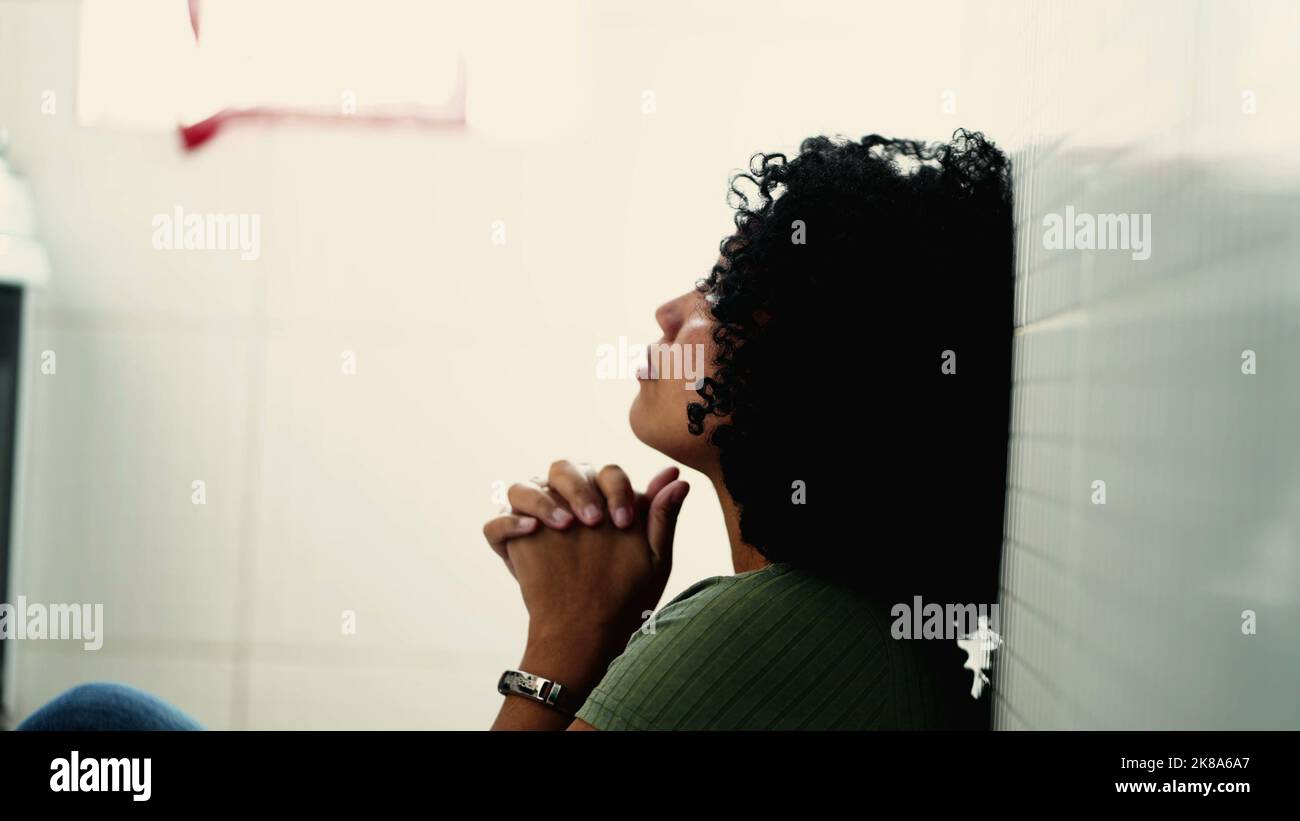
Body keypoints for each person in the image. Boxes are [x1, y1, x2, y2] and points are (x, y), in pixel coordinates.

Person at [485, 129, 1014, 730]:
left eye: (720, 289)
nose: (670, 312)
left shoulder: (756, 631)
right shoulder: (853, 615)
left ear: (812, 352)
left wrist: (565, 635)